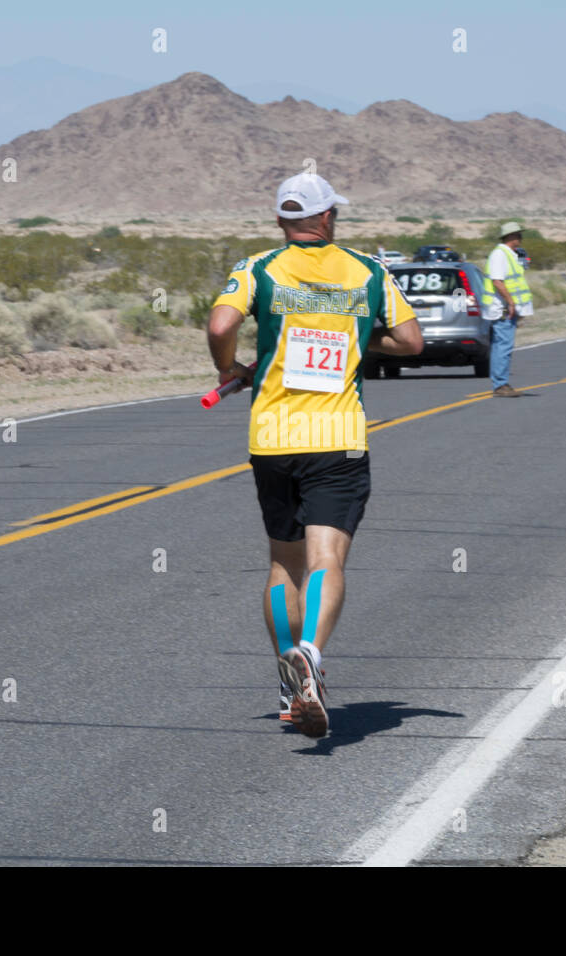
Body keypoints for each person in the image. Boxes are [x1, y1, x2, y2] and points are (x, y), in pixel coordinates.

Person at [206, 171, 422, 738]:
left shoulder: (259, 269)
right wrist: (357, 335)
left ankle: (289, 679)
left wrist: (229, 369)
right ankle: (310, 653)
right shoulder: (369, 271)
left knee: (284, 563)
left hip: (273, 440)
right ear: (327, 218)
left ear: (281, 220)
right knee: (328, 560)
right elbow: (411, 342)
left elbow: (220, 322)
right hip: (337, 438)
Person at [482, 222, 534, 397]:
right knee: (503, 347)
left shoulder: (510, 255)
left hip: (506, 308)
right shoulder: (500, 255)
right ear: (510, 236)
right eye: (518, 234)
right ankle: (500, 384)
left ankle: (501, 383)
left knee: (502, 346)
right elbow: (498, 281)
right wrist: (510, 303)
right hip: (502, 308)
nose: (520, 238)